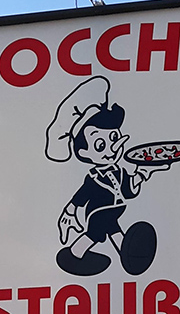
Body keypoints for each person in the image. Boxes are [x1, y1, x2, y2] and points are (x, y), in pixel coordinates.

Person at [45, 76, 170, 276]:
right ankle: (74, 256)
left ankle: (127, 256)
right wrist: (68, 213)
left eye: (113, 137)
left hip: (114, 211)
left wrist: (143, 172)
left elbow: (128, 190)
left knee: (114, 231)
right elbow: (80, 197)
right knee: (94, 234)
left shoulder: (119, 171)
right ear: (84, 153)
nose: (112, 148)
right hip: (98, 214)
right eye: (100, 145)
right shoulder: (93, 178)